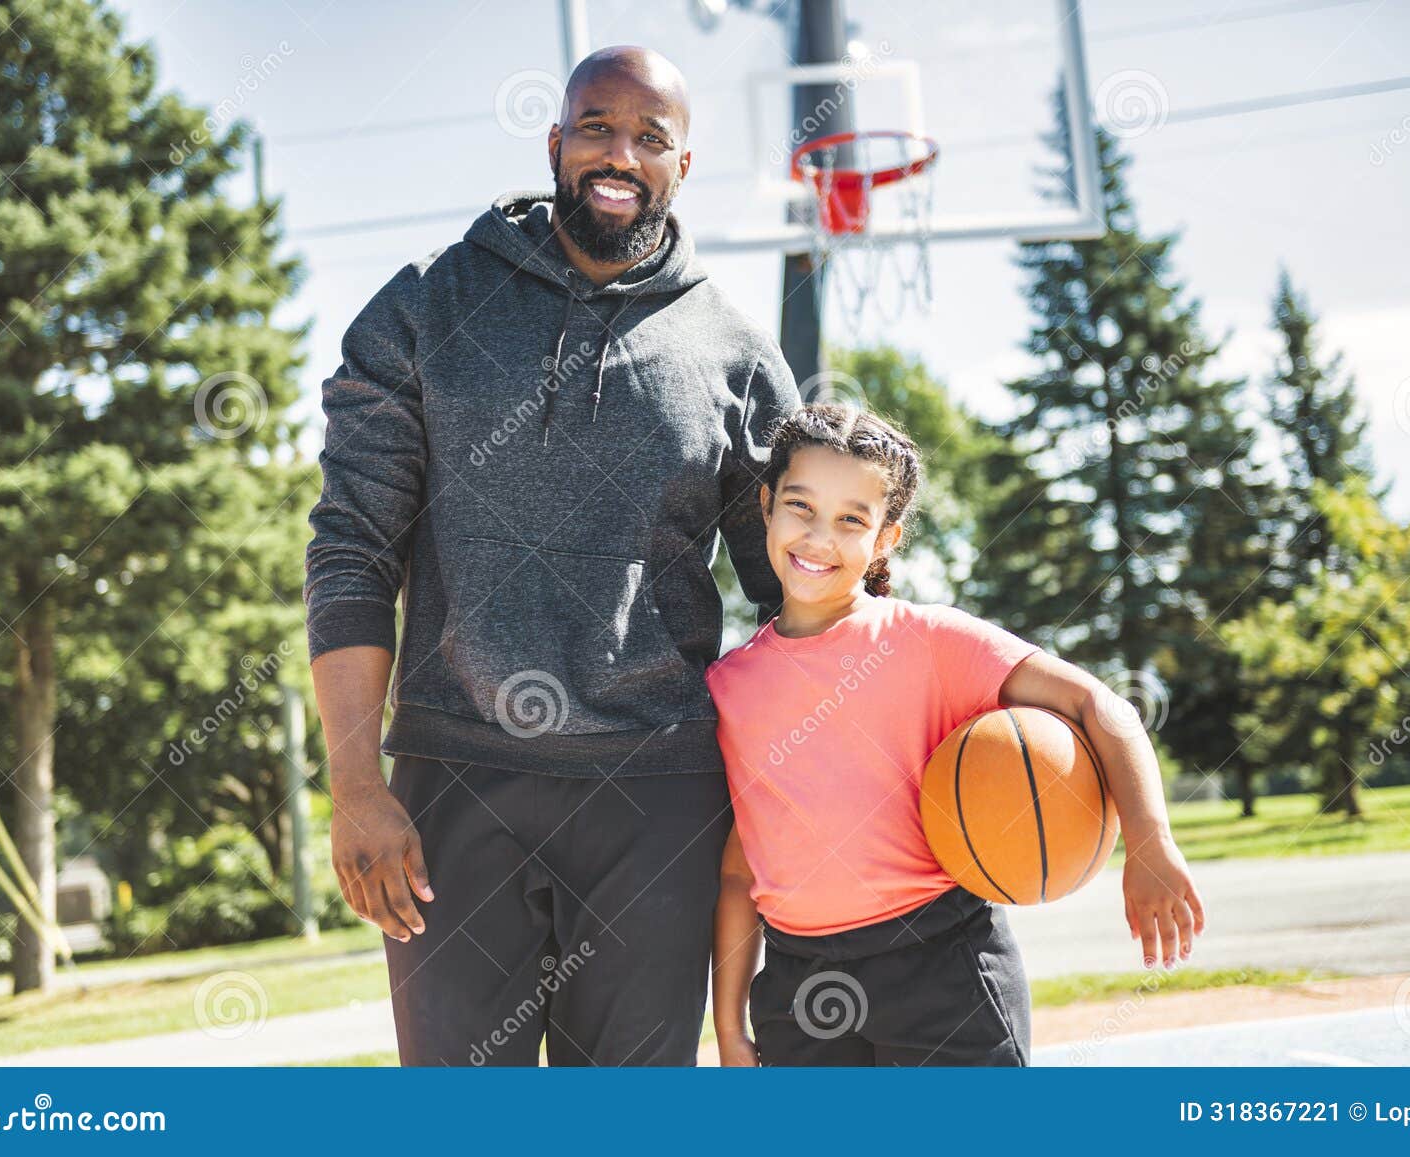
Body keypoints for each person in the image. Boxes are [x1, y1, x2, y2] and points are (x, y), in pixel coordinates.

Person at [303, 46, 800, 1066]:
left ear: (682, 164)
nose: (620, 153)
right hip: (454, 781)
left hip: (657, 792)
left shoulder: (735, 353)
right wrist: (356, 784)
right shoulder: (423, 309)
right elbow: (352, 551)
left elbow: (800, 594)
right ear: (555, 143)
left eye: (649, 137)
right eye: (596, 127)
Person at [706, 403, 1206, 1066]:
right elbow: (740, 869)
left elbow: (1102, 706)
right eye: (800, 505)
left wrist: (1149, 839)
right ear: (766, 504)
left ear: (886, 538)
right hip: (800, 991)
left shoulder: (931, 642)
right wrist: (731, 1021)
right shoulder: (730, 685)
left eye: (852, 518)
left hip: (944, 969)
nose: (818, 537)